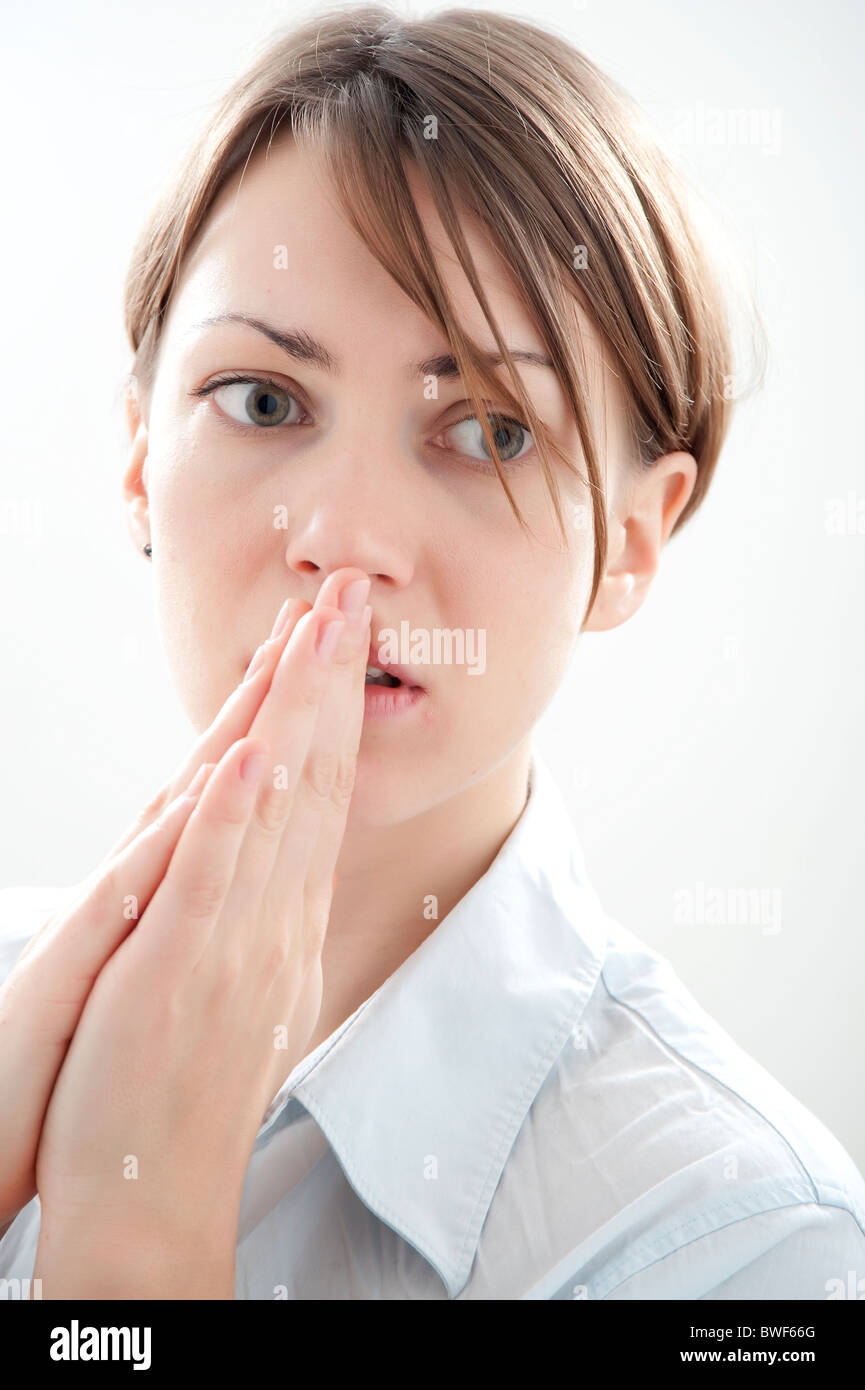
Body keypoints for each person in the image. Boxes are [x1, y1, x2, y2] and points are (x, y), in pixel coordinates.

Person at [1, 4, 863, 1300]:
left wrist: (130, 1263)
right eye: (263, 400)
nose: (344, 539)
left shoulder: (738, 1241)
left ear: (630, 538)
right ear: (136, 462)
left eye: (490, 429)